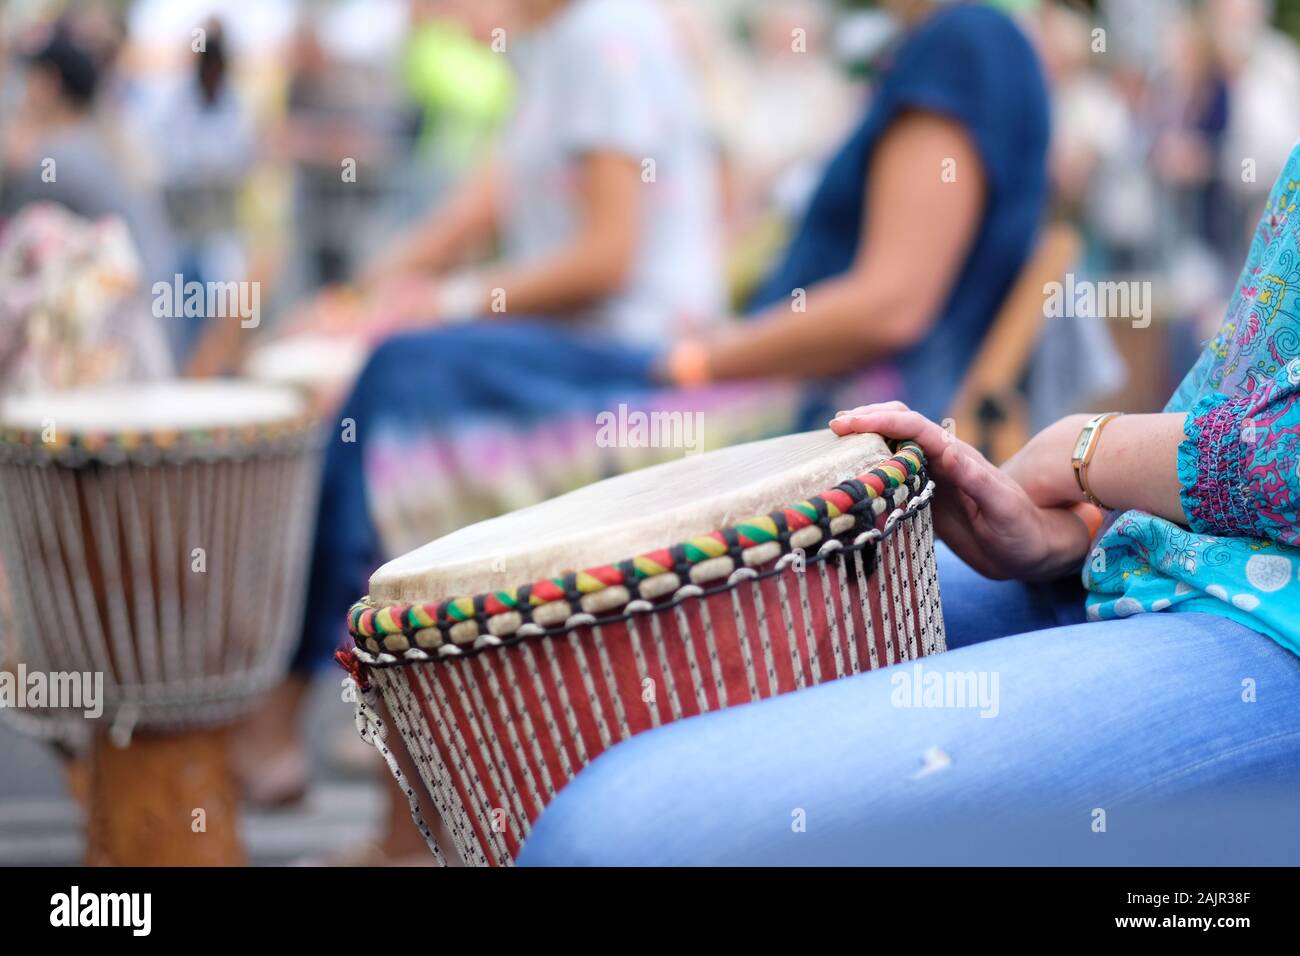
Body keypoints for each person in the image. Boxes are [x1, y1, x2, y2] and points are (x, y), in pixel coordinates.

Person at [515, 139, 1300, 866]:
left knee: (614, 837)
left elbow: (892, 306)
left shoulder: (964, 53)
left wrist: (1084, 451)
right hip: (1164, 547)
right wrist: (1082, 528)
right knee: (628, 680)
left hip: (1270, 624)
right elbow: (1247, 382)